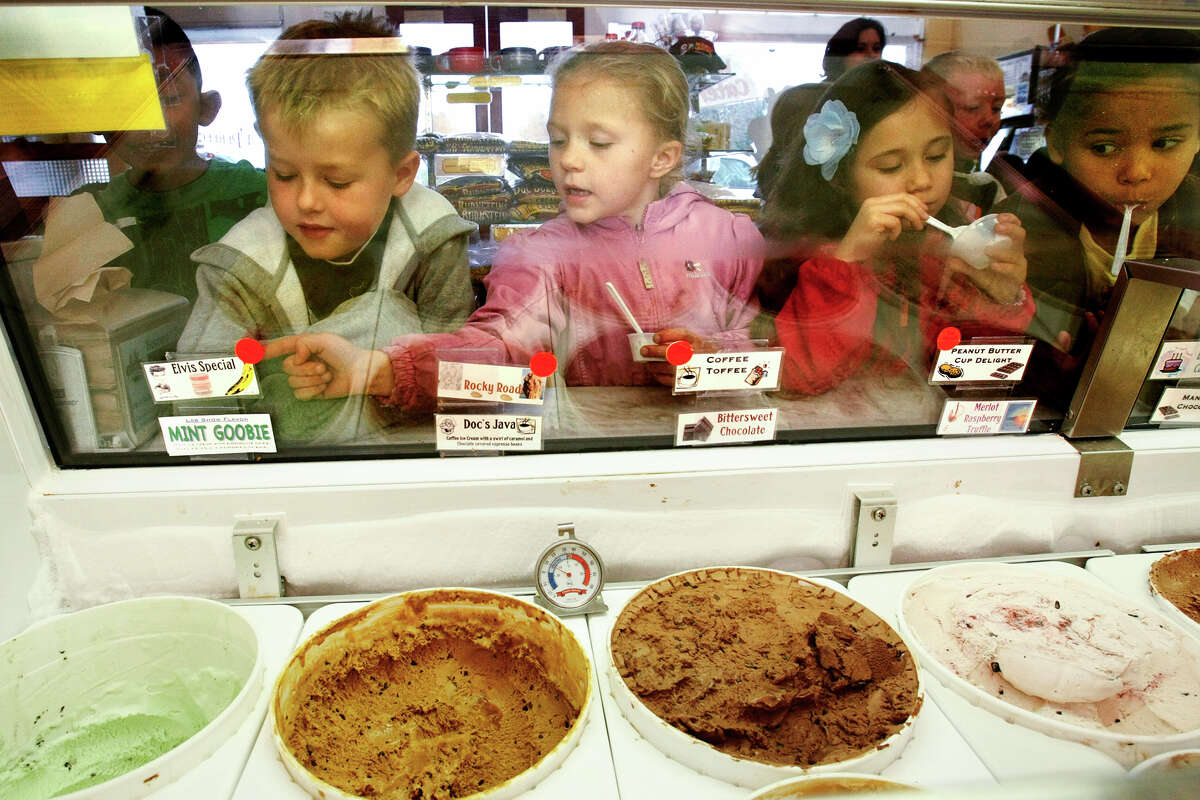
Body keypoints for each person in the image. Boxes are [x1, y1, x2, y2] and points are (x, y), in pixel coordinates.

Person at [264, 41, 763, 410]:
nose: (568, 160)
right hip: (589, 459)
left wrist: (712, 359)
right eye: (559, 139)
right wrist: (379, 370)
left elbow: (767, 351)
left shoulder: (729, 240)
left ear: (663, 157)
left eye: (599, 142)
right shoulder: (540, 257)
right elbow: (501, 354)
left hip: (711, 460)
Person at [177, 12, 475, 441]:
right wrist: (268, 377)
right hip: (286, 467)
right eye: (282, 174)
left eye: (337, 182)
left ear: (401, 175)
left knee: (387, 314)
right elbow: (195, 404)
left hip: (410, 458)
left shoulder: (434, 238)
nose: (306, 201)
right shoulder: (240, 266)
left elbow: (462, 379)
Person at [757, 61, 1032, 395]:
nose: (921, 181)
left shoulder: (945, 248)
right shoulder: (803, 252)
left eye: (936, 156)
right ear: (841, 178)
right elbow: (794, 378)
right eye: (891, 166)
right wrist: (847, 262)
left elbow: (969, 376)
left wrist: (1000, 295)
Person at [994, 28, 1200, 406]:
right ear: (1055, 143)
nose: (1136, 171)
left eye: (1165, 143)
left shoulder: (1195, 223)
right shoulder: (1011, 236)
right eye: (1104, 147)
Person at [73, 7, 266, 303]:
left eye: (170, 98)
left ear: (206, 107)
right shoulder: (89, 216)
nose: (152, 125)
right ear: (101, 122)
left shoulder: (261, 193)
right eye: (125, 106)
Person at [756, 18, 886, 201]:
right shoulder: (807, 98)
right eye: (860, 48)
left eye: (876, 48)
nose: (871, 55)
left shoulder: (881, 102)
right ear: (841, 54)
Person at [921, 51, 1009, 218]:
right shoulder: (911, 183)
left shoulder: (987, 190)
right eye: (972, 107)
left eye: (996, 108)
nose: (989, 120)